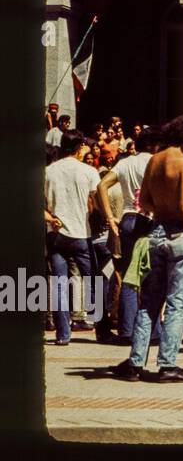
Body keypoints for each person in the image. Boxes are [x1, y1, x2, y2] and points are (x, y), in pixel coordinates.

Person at [111, 115, 183, 382]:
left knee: (149, 301)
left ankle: (136, 362)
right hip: (178, 233)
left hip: (156, 232)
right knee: (177, 302)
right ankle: (167, 364)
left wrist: (164, 207)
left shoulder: (154, 159)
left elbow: (146, 204)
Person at [97, 126, 162, 344]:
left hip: (127, 218)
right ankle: (152, 331)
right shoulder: (155, 162)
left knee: (127, 276)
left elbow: (102, 185)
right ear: (155, 145)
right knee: (151, 276)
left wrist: (109, 217)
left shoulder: (126, 163)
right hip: (149, 219)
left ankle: (127, 330)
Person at [44, 129, 100, 347]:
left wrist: (50, 216)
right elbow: (94, 203)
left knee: (58, 284)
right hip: (80, 233)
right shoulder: (88, 171)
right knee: (92, 280)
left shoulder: (48, 171)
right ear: (79, 148)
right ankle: (102, 328)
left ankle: (62, 333)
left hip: (56, 233)